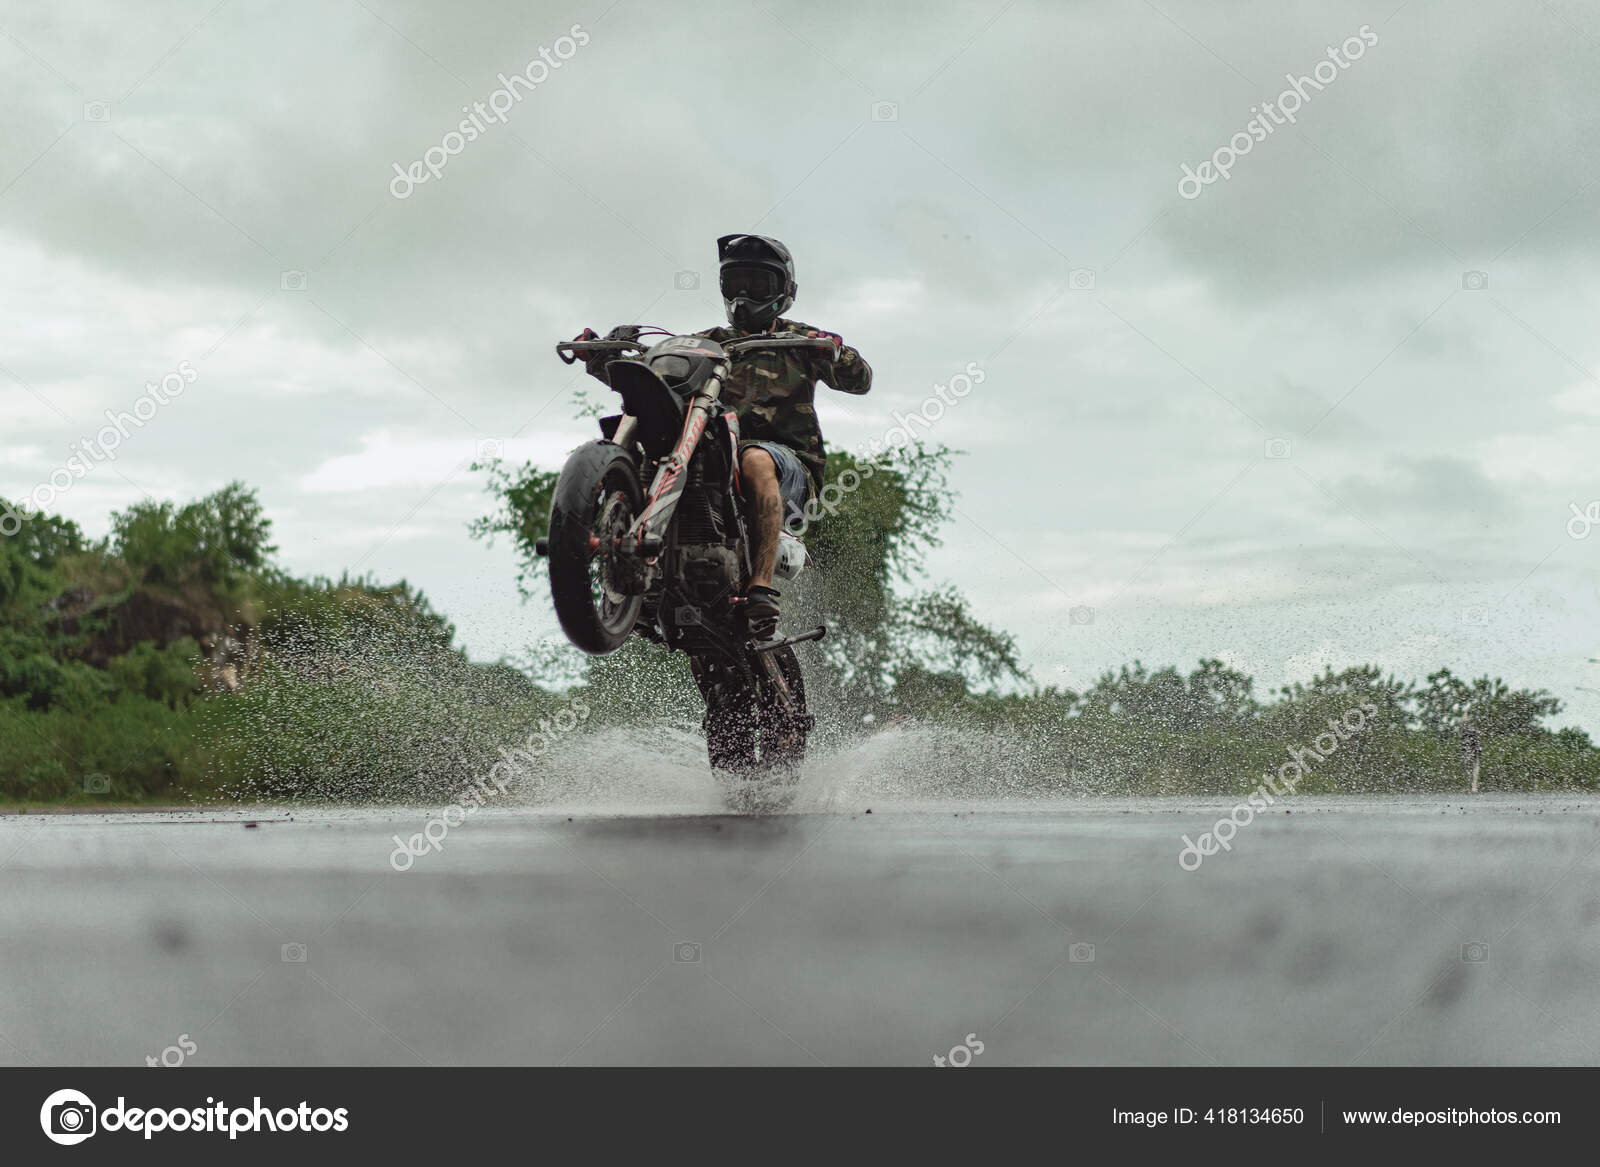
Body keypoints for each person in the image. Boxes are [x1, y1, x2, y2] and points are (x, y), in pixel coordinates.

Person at [575, 234, 871, 639]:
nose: (745, 295)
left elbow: (860, 380)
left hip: (786, 466)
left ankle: (761, 586)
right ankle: (621, 568)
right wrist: (602, 355)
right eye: (735, 284)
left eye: (759, 284)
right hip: (707, 454)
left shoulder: (801, 341)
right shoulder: (710, 343)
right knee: (651, 442)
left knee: (754, 458)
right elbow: (654, 378)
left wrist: (838, 351)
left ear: (783, 292)